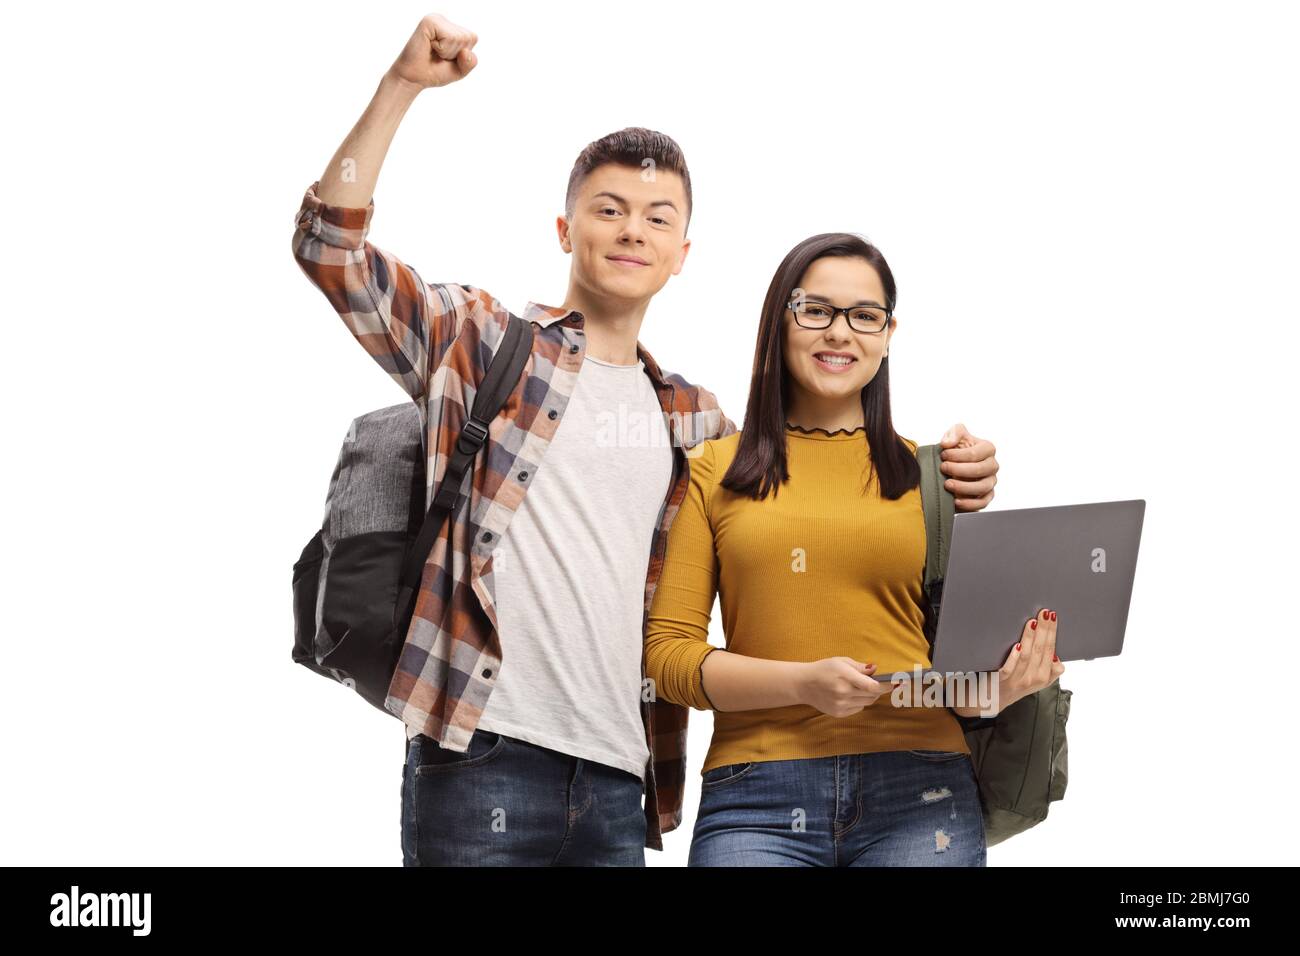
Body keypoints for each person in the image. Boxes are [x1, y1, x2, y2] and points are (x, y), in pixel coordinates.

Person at [291, 13, 1001, 865]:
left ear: (682, 253)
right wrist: (401, 85)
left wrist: (945, 465)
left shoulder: (697, 424)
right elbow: (329, 249)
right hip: (478, 751)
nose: (633, 230)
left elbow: (817, 494)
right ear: (565, 230)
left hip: (624, 782)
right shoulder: (480, 343)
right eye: (610, 209)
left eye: (657, 218)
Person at [645, 234, 1062, 866]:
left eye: (864, 316)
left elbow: (951, 675)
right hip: (755, 793)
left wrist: (1001, 688)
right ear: (779, 319)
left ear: (888, 333)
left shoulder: (934, 479)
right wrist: (802, 683)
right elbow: (668, 659)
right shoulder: (713, 471)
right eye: (816, 310)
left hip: (922, 785)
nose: (841, 332)